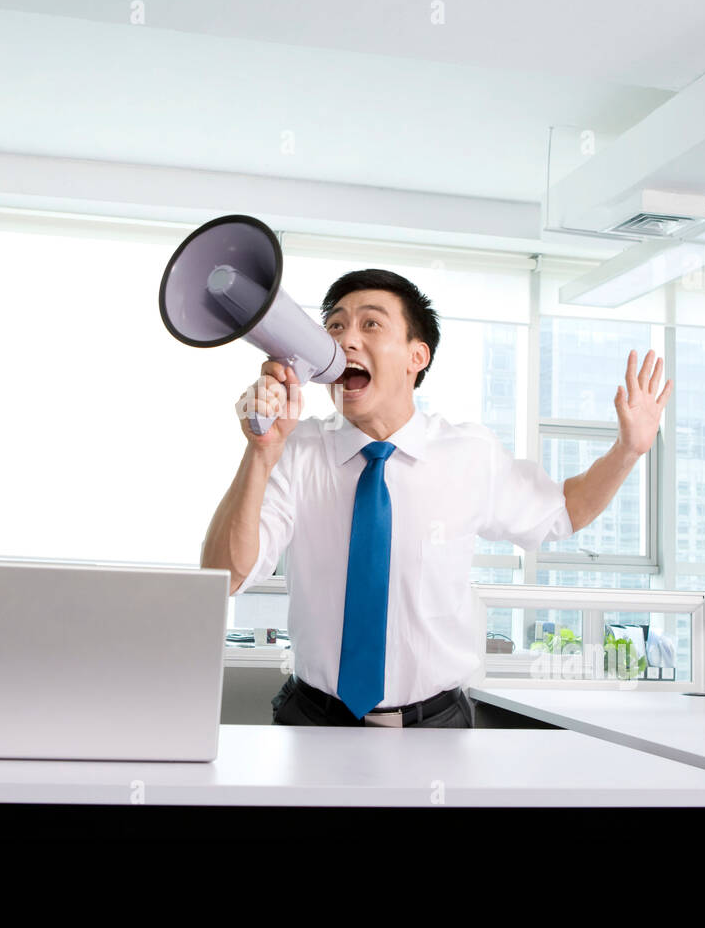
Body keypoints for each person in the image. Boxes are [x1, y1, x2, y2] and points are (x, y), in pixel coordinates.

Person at [199, 269, 673, 728]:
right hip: (313, 719)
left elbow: (564, 510)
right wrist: (260, 452)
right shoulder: (296, 449)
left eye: (370, 324)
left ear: (416, 356)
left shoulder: (468, 453)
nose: (345, 340)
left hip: (435, 725)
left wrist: (627, 450)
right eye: (336, 326)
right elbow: (226, 574)